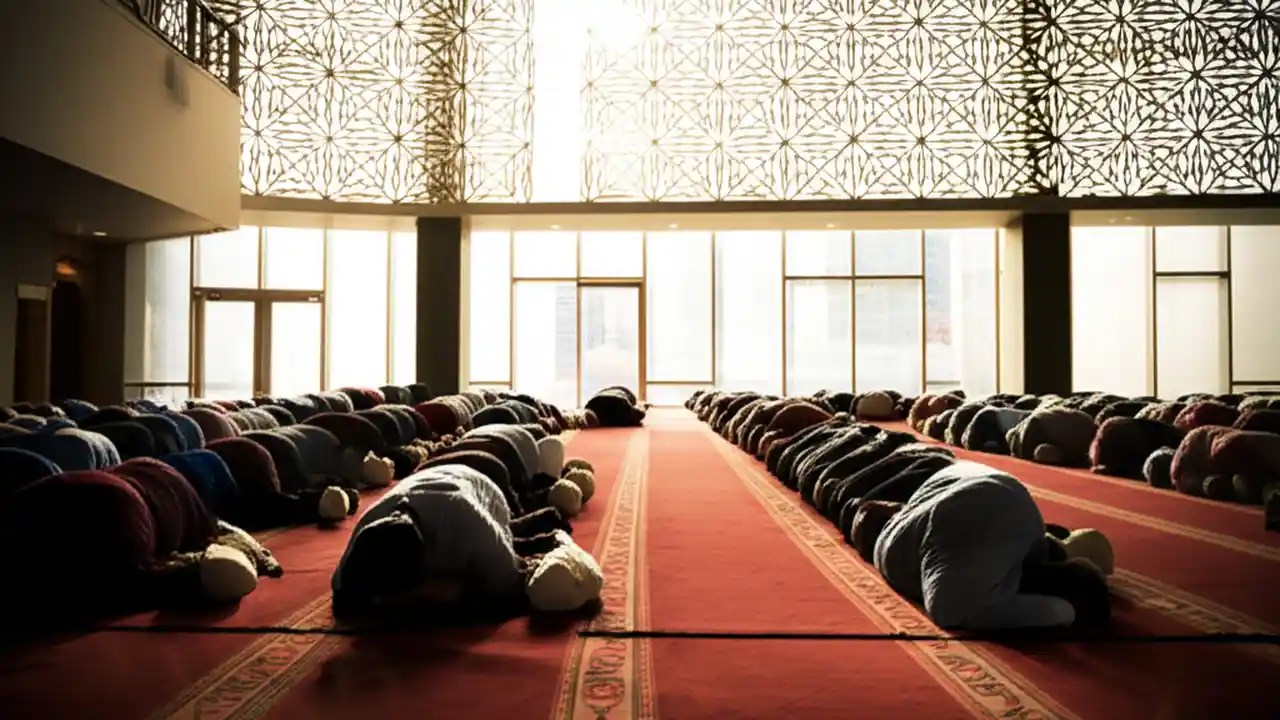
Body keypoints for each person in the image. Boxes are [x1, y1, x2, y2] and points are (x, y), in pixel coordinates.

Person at [852, 461, 1092, 631]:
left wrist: (1062, 612)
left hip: (977, 518)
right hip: (1016, 495)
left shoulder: (888, 545)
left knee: (954, 610)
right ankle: (1053, 552)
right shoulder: (915, 510)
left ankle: (1070, 604)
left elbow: (949, 608)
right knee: (1016, 553)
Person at [331, 464, 564, 617]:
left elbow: (511, 585)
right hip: (426, 481)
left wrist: (447, 594)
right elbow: (344, 598)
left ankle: (531, 525)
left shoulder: (468, 521)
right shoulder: (368, 531)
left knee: (503, 551)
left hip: (480, 486)